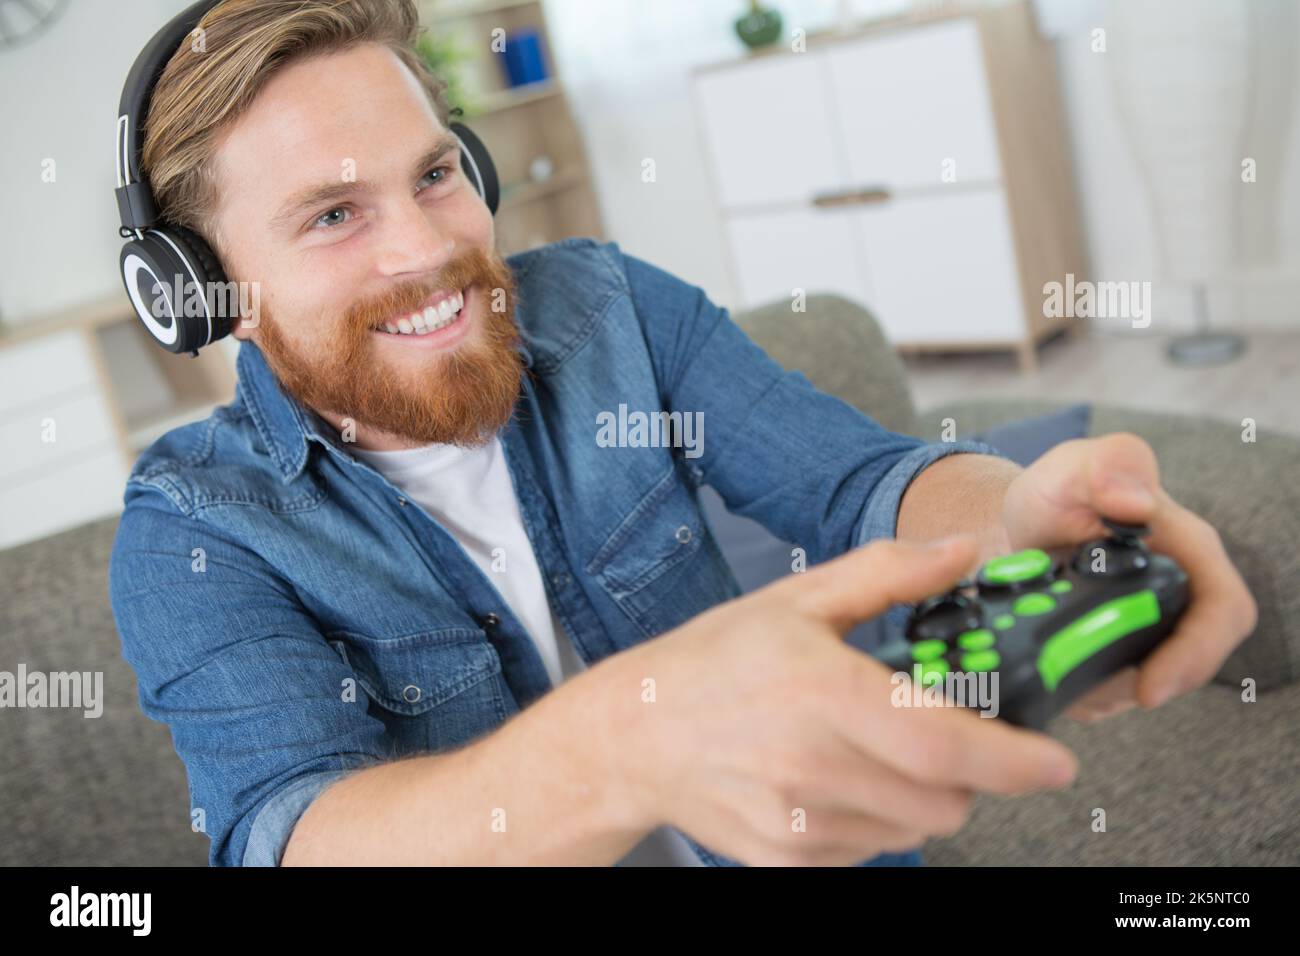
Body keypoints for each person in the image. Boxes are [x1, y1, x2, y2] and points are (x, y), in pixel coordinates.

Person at [108, 0, 1256, 867]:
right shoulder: (194, 531)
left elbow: (857, 479)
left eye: (437, 174)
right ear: (202, 290)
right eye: (333, 214)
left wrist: (1017, 514)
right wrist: (633, 739)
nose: (428, 248)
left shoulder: (607, 307)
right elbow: (293, 830)